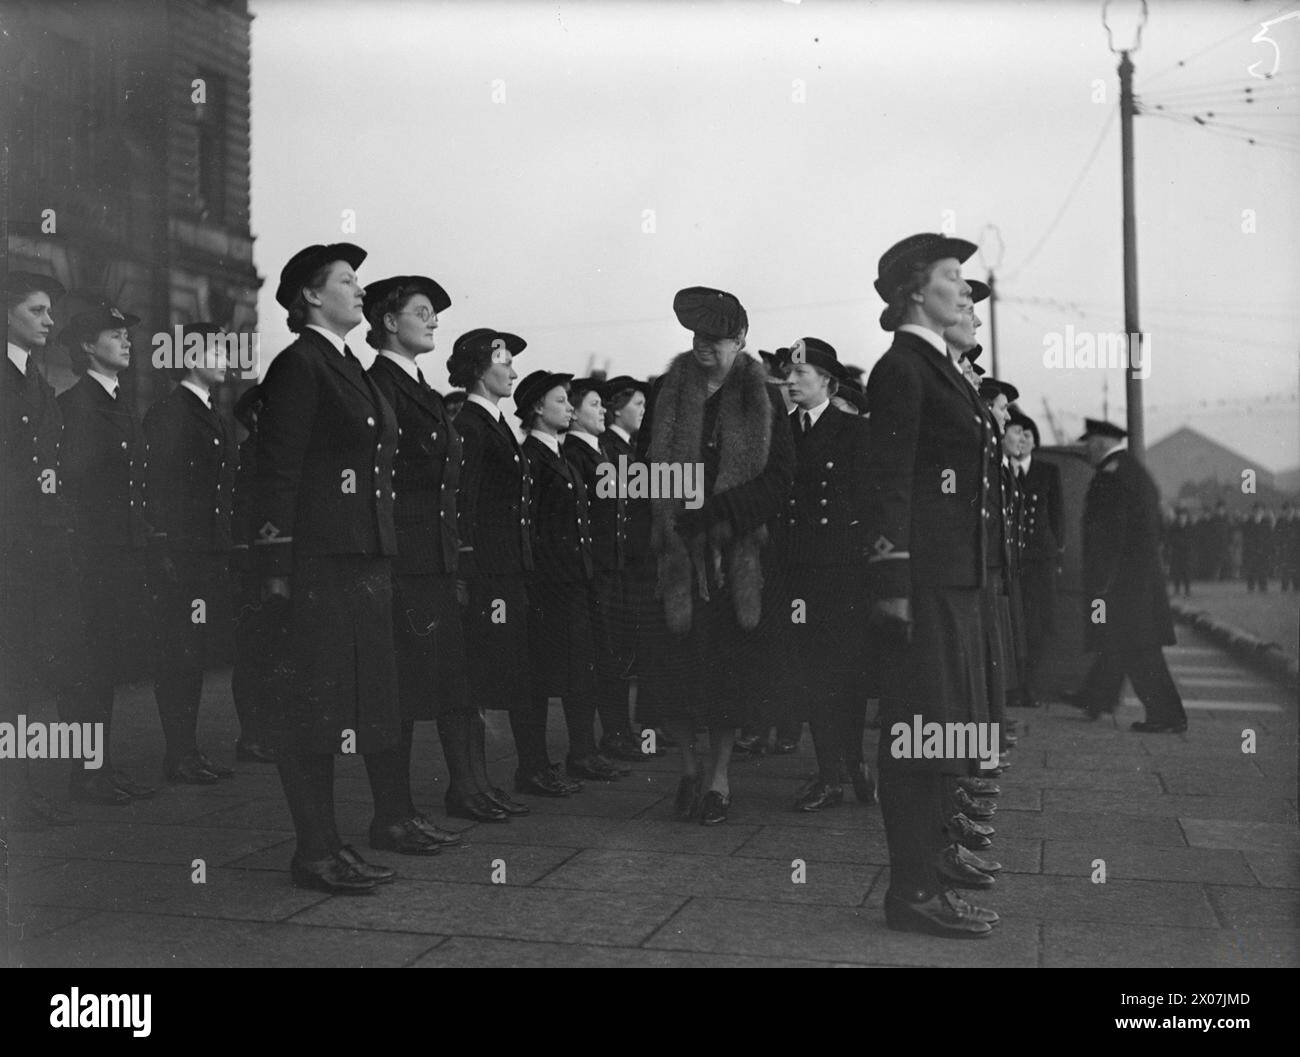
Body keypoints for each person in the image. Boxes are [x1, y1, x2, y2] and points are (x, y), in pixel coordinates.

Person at [254, 242, 403, 892]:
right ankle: (314, 849)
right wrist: (275, 562)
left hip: (359, 558)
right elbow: (279, 467)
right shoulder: (298, 364)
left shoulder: (346, 363)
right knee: (312, 704)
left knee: (345, 701)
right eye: (348, 280)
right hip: (316, 560)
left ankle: (334, 842)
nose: (360, 289)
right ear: (311, 295)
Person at [864, 233, 1000, 938]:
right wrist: (892, 579)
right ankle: (912, 888)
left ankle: (936, 861)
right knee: (919, 732)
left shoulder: (936, 367)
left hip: (953, 581)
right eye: (955, 277)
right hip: (920, 583)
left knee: (945, 728)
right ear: (916, 290)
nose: (966, 289)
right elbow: (887, 481)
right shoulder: (902, 370)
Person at [637, 286, 795, 825]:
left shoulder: (764, 398)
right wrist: (669, 519)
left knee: (727, 675)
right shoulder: (665, 391)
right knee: (675, 673)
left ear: (742, 339)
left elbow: (780, 479)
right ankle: (686, 768)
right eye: (698, 336)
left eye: (718, 337)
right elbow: (642, 471)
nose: (705, 345)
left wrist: (723, 511)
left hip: (733, 561)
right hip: (676, 557)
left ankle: (720, 778)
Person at [364, 274, 490, 849]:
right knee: (401, 692)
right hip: (403, 561)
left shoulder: (419, 386)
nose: (434, 320)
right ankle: (394, 813)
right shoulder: (379, 385)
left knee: (441, 681)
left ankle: (455, 792)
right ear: (390, 322)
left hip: (432, 559)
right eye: (422, 311)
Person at [450, 328, 573, 803]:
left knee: (520, 671)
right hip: (489, 574)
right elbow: (464, 504)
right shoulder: (472, 426)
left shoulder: (494, 423)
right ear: (480, 368)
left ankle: (528, 768)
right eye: (504, 361)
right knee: (488, 676)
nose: (514, 371)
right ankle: (476, 783)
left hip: (511, 571)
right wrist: (469, 572)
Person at [57, 303, 161, 805]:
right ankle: (86, 772)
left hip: (121, 554)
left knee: (105, 664)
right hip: (92, 557)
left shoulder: (121, 403)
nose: (126, 342)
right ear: (84, 346)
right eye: (114, 335)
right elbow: (75, 490)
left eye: (127, 335)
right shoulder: (77, 406)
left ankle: (100, 766)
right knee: (88, 666)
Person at [773, 337, 875, 810]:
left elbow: (872, 506)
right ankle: (832, 771)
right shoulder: (778, 431)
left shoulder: (854, 432)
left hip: (843, 571)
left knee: (847, 672)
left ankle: (851, 763)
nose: (790, 381)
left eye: (801, 374)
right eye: (788, 374)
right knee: (811, 671)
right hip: (795, 571)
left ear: (828, 383)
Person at [1, 272, 83, 827]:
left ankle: (20, 791)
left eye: (49, 310)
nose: (49, 321)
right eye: (37, 310)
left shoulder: (36, 379)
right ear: (8, 314)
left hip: (32, 545)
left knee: (22, 667)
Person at [517, 370, 624, 784]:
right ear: (537, 409)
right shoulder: (532, 456)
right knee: (548, 674)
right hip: (552, 582)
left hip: (576, 579)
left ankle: (582, 751)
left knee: (581, 667)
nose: (568, 407)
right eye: (561, 401)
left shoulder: (558, 455)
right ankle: (540, 763)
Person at [143, 322, 237, 784]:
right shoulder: (170, 412)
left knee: (194, 651)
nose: (225, 357)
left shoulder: (211, 413)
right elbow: (159, 488)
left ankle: (188, 751)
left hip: (207, 554)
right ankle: (179, 754)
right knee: (180, 652)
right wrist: (166, 548)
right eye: (217, 350)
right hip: (182, 556)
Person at [1067, 419, 1188, 734]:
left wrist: (1103, 579)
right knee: (1119, 641)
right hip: (1136, 578)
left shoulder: (1114, 475)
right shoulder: (1130, 470)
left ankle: (1167, 715)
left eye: (1089, 444)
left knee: (1139, 648)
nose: (1086, 450)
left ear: (1100, 443)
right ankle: (1095, 698)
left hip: (1124, 580)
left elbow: (1112, 534)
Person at [564, 376, 643, 762]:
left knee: (615, 652)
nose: (600, 411)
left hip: (613, 565)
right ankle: (613, 733)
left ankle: (619, 731)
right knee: (604, 653)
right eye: (593, 405)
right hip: (597, 568)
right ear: (574, 413)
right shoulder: (578, 453)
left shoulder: (598, 451)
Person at [599, 374, 655, 752]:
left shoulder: (629, 449)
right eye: (637, 404)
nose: (643, 411)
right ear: (616, 408)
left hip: (635, 560)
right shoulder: (611, 450)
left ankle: (628, 731)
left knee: (630, 649)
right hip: (624, 562)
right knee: (618, 650)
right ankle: (619, 732)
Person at [228, 383, 278, 764]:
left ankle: (267, 731)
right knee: (255, 653)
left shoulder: (276, 455)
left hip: (275, 565)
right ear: (256, 415)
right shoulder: (252, 456)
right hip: (258, 569)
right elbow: (244, 514)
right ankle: (252, 735)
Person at [1009, 409, 1063, 705]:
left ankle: (1030, 686)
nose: (1023, 440)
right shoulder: (1003, 470)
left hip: (1040, 560)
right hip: (1014, 560)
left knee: (1040, 625)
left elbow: (1058, 518)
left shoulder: (1047, 472)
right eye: (1019, 434)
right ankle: (1013, 688)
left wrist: (1057, 557)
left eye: (1028, 435)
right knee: (1016, 623)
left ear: (1035, 441)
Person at [1241, 502, 1272, 592]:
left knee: (1263, 572)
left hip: (1263, 552)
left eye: (1260, 510)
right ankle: (1251, 589)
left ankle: (1263, 588)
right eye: (1256, 510)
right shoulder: (1248, 523)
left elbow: (1269, 538)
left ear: (1263, 512)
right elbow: (1245, 537)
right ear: (1253, 511)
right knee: (1251, 572)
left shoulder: (1266, 523)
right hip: (1251, 552)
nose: (1258, 512)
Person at [1165, 507, 1193, 597]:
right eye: (1181, 516)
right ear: (1178, 517)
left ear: (1186, 517)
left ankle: (1187, 590)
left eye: (1184, 516)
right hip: (1177, 552)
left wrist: (1186, 544)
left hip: (1187, 552)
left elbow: (1193, 539)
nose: (1182, 518)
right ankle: (1177, 589)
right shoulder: (1174, 527)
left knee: (1186, 572)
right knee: (1176, 571)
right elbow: (1170, 538)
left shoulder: (1190, 526)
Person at [1277, 501, 1299, 591]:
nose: (1289, 511)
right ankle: (1284, 589)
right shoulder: (1280, 522)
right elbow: (1276, 536)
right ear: (1284, 511)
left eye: (1291, 509)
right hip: (1284, 551)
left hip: (1297, 551)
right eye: (1287, 510)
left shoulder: (1298, 522)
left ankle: (1297, 589)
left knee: (1297, 573)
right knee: (1285, 573)